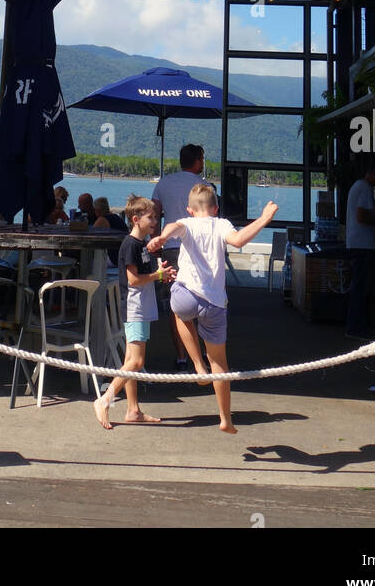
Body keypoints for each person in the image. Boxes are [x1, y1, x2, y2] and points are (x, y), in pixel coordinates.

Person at [148, 183, 278, 434]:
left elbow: (175, 227)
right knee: (220, 364)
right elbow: (239, 240)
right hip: (215, 303)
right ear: (215, 208)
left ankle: (196, 364)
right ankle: (226, 419)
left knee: (178, 313)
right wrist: (264, 218)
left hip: (187, 296)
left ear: (189, 209)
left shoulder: (187, 222)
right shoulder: (222, 224)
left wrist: (163, 237)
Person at [93, 196, 176, 430]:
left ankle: (133, 409)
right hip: (134, 306)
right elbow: (133, 279)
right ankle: (105, 399)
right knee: (137, 361)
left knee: (131, 360)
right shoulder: (130, 244)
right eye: (151, 217)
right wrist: (158, 276)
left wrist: (160, 271)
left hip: (141, 306)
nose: (155, 221)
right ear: (136, 220)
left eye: (156, 217)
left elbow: (146, 273)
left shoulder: (142, 245)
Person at [152, 144, 215, 367]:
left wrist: (156, 241)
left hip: (170, 247)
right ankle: (205, 353)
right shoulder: (204, 187)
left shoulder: (164, 183)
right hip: (197, 250)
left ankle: (181, 355)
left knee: (176, 304)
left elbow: (154, 215)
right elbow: (211, 223)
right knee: (205, 299)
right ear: (198, 160)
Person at [345, 159, 375, 339]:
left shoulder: (358, 186)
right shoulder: (364, 187)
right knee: (361, 287)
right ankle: (356, 328)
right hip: (362, 245)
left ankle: (356, 326)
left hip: (357, 243)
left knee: (358, 286)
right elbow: (361, 216)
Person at [92, 196, 127, 267]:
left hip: (113, 259)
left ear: (97, 210)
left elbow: (91, 237)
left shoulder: (102, 220)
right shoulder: (117, 217)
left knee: (85, 262)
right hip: (123, 257)